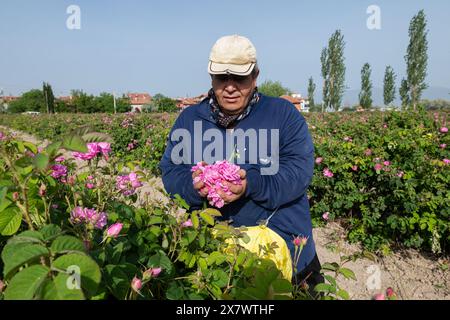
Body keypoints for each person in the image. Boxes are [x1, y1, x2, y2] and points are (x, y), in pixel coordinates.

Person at [159, 34, 324, 297]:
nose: (230, 87)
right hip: (216, 258)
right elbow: (171, 170)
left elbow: (298, 173)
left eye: (240, 78)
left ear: (255, 76)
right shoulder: (190, 120)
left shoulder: (282, 115)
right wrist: (193, 186)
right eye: (222, 78)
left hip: (287, 251)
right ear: (211, 78)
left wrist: (251, 184)